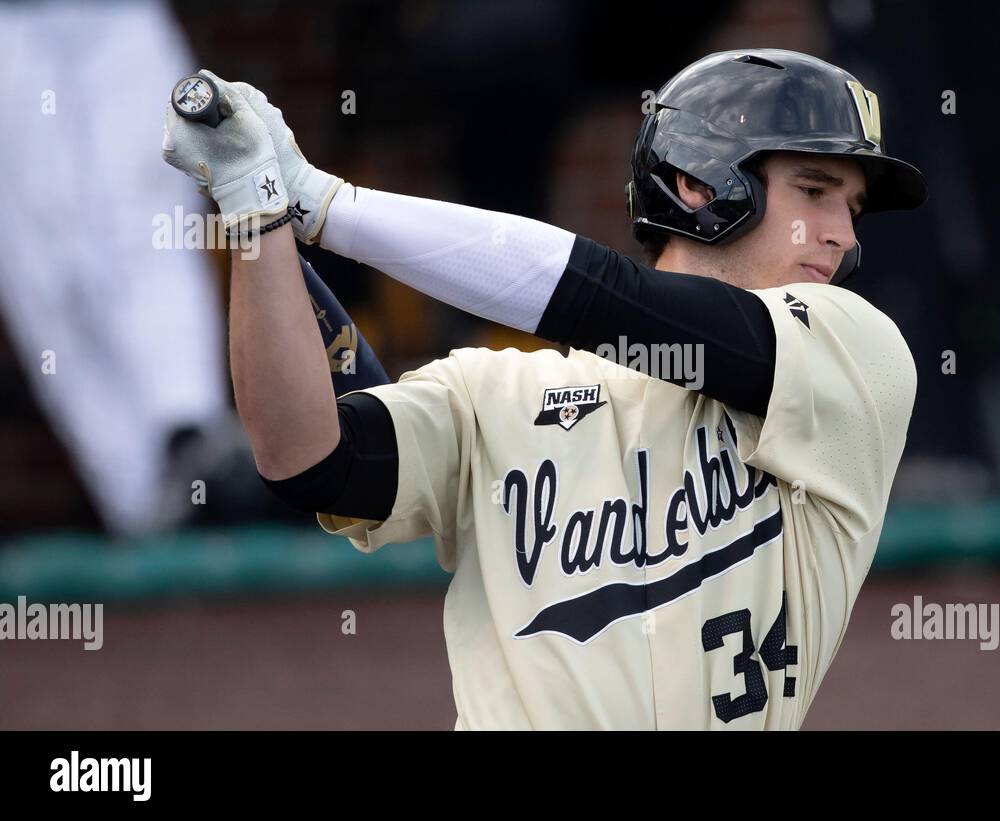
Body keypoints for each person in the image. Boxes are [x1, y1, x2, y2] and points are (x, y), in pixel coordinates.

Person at [162, 49, 926, 730]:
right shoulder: (497, 391)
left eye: (851, 208)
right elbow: (308, 458)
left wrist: (326, 205)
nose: (844, 234)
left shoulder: (854, 359)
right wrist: (255, 209)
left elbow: (600, 297)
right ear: (701, 183)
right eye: (816, 191)